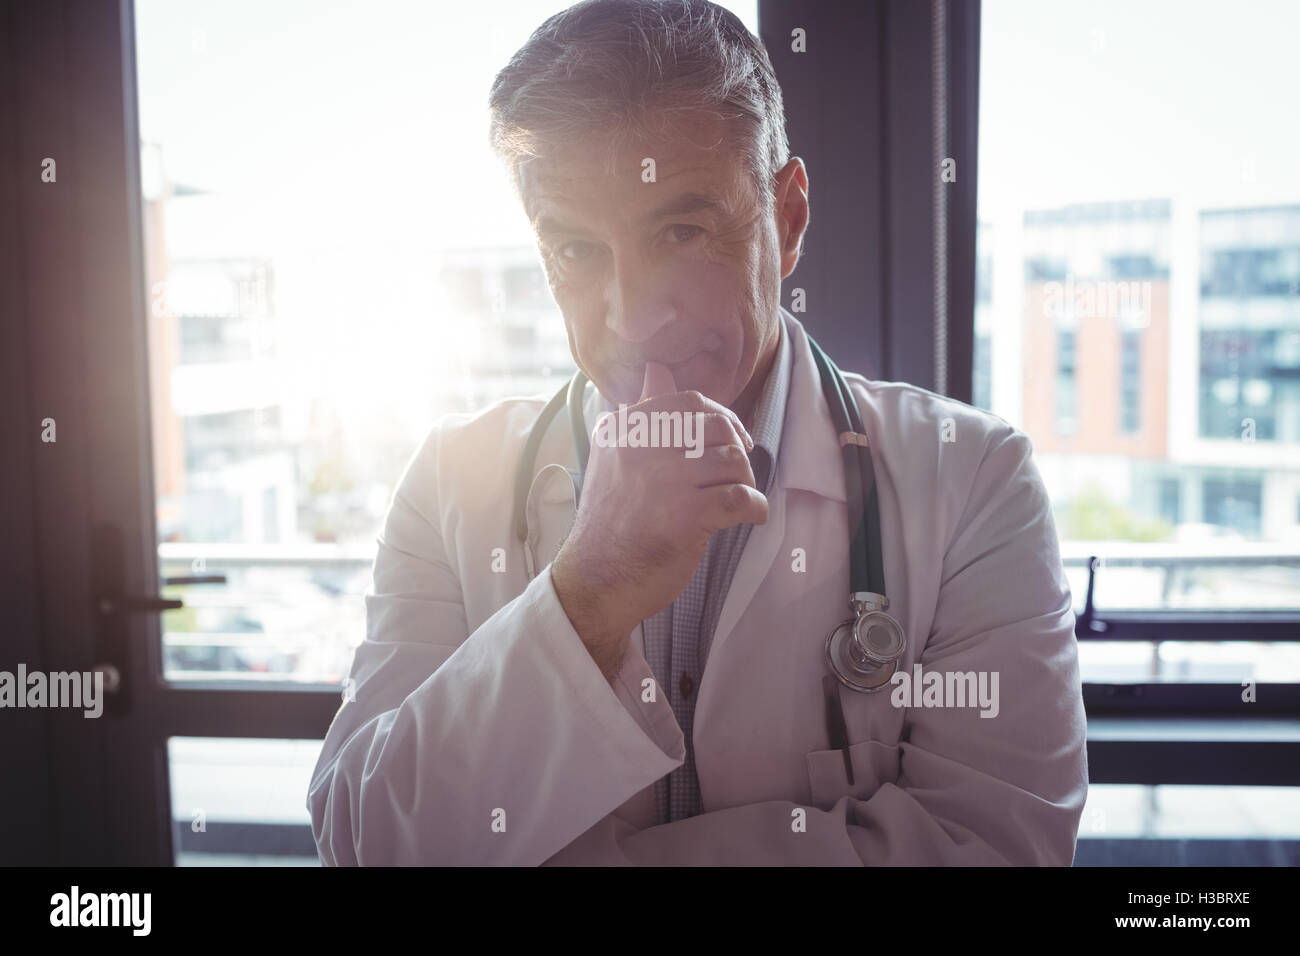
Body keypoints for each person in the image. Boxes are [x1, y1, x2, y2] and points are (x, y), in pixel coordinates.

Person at [306, 0, 1088, 866]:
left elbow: (1000, 850)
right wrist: (588, 596)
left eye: (681, 231)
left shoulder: (973, 479)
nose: (634, 316)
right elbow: (367, 841)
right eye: (575, 252)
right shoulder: (451, 481)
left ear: (787, 219)